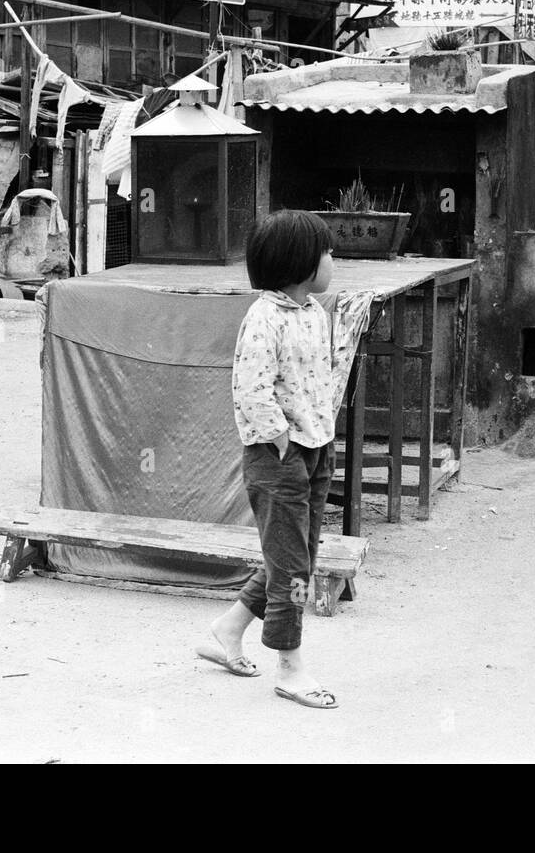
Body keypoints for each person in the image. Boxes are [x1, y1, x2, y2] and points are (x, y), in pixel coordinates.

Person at [195, 210, 339, 709]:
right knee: (293, 568)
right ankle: (291, 666)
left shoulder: (315, 313)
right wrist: (280, 440)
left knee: (300, 557)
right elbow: (251, 390)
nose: (332, 260)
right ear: (298, 262)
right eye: (326, 252)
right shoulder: (264, 317)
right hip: (279, 457)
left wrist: (321, 439)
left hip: (317, 449)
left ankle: (226, 629)